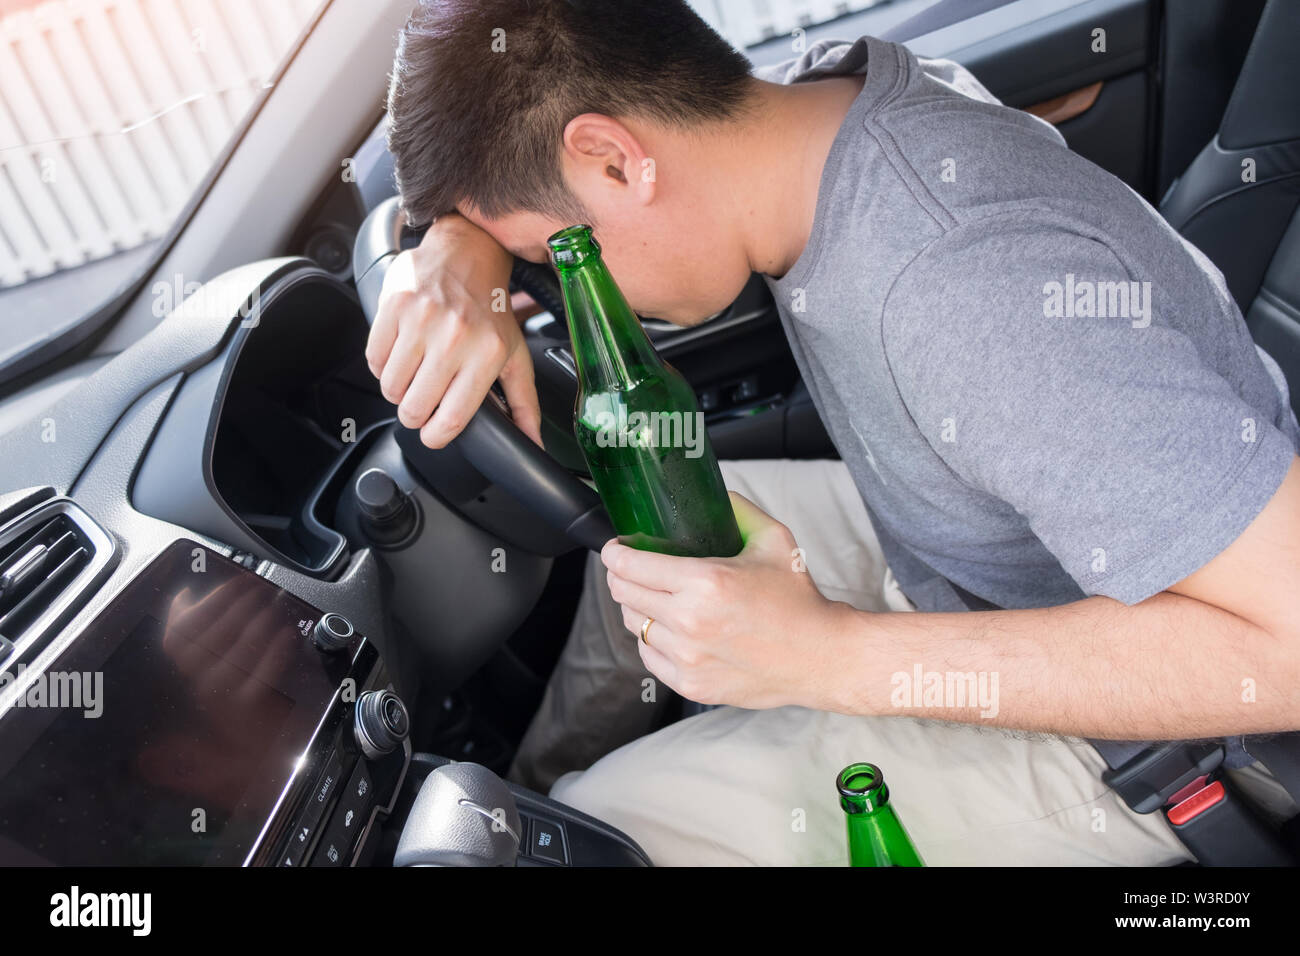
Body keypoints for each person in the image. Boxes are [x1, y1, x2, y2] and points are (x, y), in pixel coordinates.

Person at [365, 0, 1300, 865]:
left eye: (550, 253)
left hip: (1167, 738)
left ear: (615, 159)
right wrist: (459, 251)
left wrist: (827, 656)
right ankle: (532, 784)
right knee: (647, 538)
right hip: (996, 557)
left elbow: (1288, 647)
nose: (562, 290)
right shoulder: (822, 107)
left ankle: (563, 803)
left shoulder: (970, 289)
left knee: (610, 822)